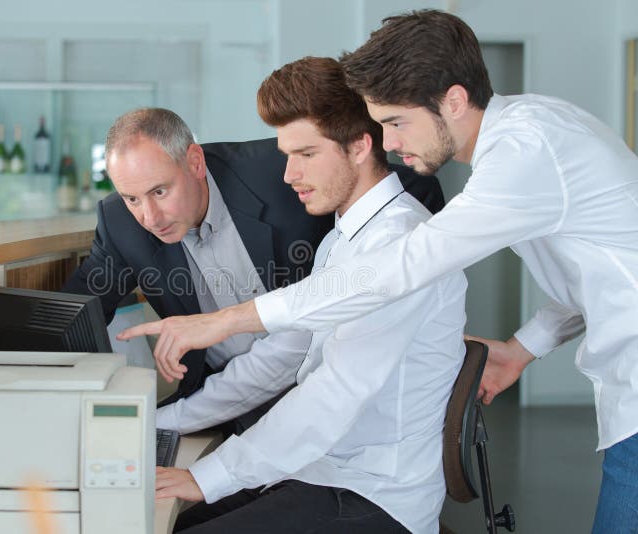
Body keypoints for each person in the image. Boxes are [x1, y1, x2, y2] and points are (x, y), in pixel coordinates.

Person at [119, 10, 638, 532]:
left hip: (374, 489)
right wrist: (526, 347)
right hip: (337, 472)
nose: (389, 142)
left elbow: (399, 271)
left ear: (453, 101)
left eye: (395, 122)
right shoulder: (525, 144)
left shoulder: (517, 158)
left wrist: (227, 321)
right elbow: (596, 274)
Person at [150, 56, 467, 534]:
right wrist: (167, 422)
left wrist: (208, 475)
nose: (288, 174)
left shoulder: (398, 245)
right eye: (286, 155)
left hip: (375, 495)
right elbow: (284, 352)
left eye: (307, 154)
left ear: (360, 146)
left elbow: (332, 394)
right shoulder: (342, 240)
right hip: (324, 472)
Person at [63, 107, 445, 419]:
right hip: (225, 406)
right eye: (132, 199)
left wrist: (414, 308)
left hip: (324, 389)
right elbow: (76, 311)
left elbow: (413, 187)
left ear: (194, 162)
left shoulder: (278, 171)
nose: (149, 216)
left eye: (160, 192)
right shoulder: (120, 222)